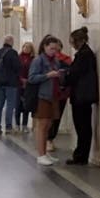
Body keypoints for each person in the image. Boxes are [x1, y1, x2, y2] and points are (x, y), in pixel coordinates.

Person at [64, 27, 99, 165]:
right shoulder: (84, 53)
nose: (72, 44)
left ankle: (81, 156)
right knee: (82, 126)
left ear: (80, 41)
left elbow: (75, 74)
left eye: (73, 42)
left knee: (82, 126)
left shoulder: (84, 55)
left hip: (81, 96)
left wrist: (65, 78)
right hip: (82, 95)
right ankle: (80, 154)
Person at [28, 36, 64, 166]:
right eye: (51, 48)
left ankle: (45, 153)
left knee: (49, 125)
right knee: (42, 126)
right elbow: (31, 78)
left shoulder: (55, 60)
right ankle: (41, 155)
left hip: (53, 95)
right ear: (44, 46)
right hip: (42, 96)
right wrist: (47, 75)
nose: (54, 51)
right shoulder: (38, 60)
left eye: (56, 49)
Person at [0, 35, 21, 134]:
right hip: (11, 83)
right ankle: (8, 127)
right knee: (10, 105)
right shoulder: (12, 53)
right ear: (11, 42)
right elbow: (17, 67)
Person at [46, 40, 73, 152]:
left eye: (56, 48)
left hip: (60, 93)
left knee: (54, 117)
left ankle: (49, 139)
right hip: (53, 92)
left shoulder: (66, 60)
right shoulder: (46, 60)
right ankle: (48, 139)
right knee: (53, 117)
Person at [16, 42, 36, 132]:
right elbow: (16, 70)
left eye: (28, 47)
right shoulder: (18, 58)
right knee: (17, 104)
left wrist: (28, 80)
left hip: (29, 84)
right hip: (18, 84)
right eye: (25, 47)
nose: (26, 48)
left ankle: (24, 125)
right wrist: (21, 79)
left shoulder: (33, 59)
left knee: (26, 106)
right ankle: (17, 124)